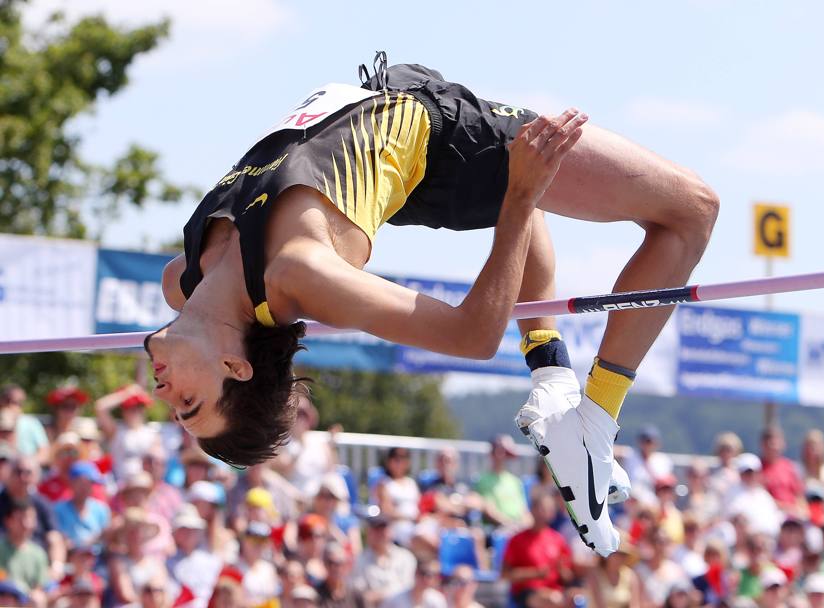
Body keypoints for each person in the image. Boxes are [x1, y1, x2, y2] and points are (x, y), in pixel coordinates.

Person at [146, 52, 719, 556]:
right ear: (234, 367)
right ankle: (595, 418)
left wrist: (518, 199)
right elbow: (472, 336)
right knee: (692, 209)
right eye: (189, 403)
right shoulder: (302, 272)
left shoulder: (186, 280)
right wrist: (522, 194)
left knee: (525, 207)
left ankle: (555, 383)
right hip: (445, 139)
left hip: (403, 139)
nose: (163, 393)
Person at [502, 488, 573, 608]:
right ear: (532, 510)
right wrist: (535, 574)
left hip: (555, 591)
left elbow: (567, 576)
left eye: (550, 509)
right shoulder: (517, 540)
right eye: (542, 508)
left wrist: (562, 571)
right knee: (553, 601)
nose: (546, 513)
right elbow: (506, 575)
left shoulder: (558, 539)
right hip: (526, 592)